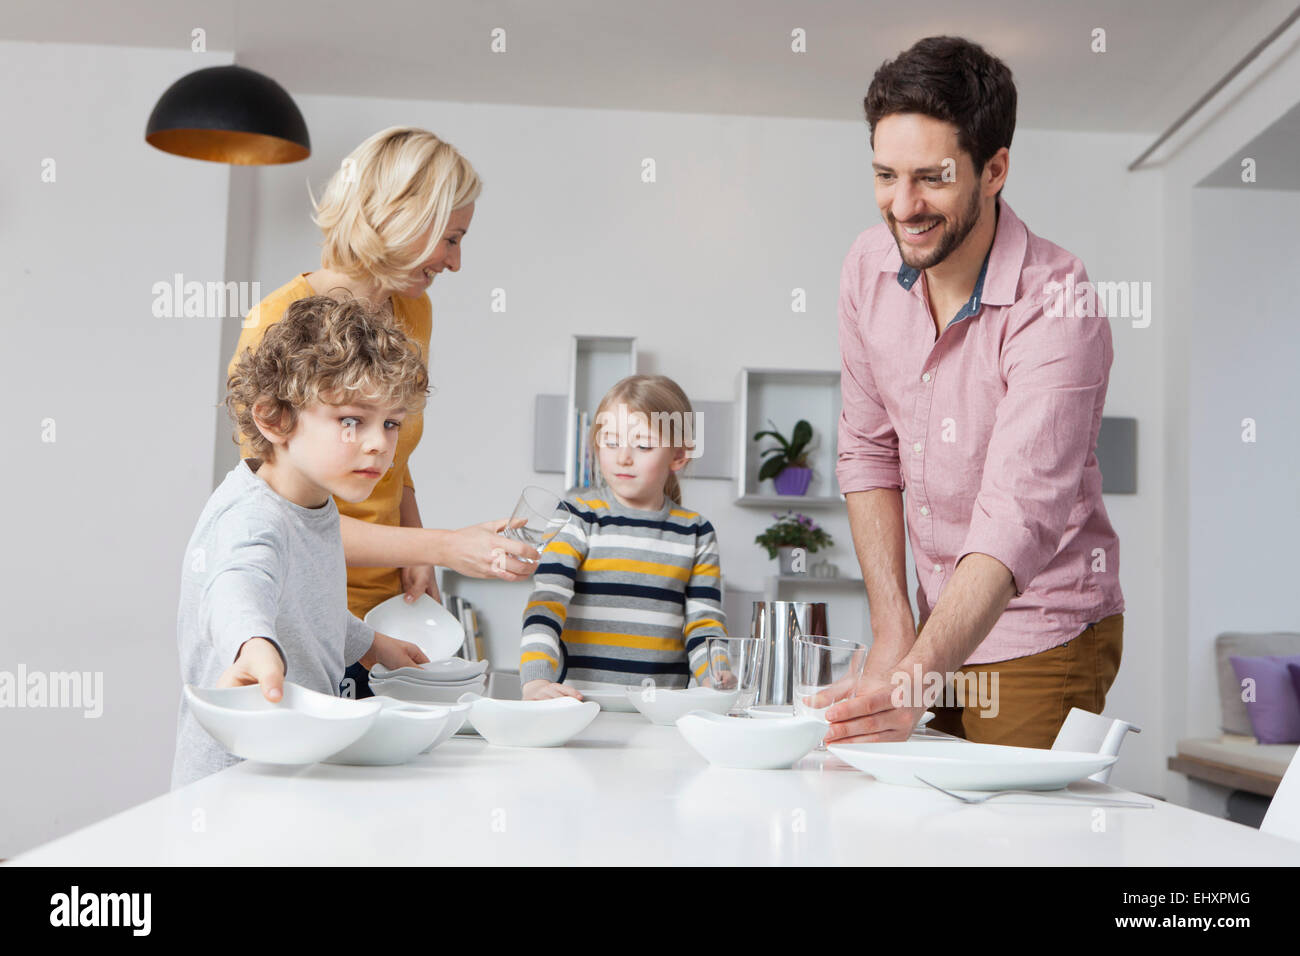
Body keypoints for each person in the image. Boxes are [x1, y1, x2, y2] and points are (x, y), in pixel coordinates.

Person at [825, 36, 1125, 749]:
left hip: (1039, 628)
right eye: (885, 176)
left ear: (994, 170)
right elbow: (868, 451)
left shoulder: (1058, 300)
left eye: (931, 177)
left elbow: (1017, 515)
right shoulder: (868, 266)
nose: (904, 206)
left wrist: (915, 681)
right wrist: (896, 632)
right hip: (935, 621)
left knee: (1010, 843)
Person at [227, 126, 538, 698]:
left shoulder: (413, 313)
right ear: (400, 217)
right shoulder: (275, 322)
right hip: (309, 613)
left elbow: (395, 459)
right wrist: (442, 546)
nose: (456, 261)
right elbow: (281, 518)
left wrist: (416, 549)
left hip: (390, 610)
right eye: (450, 238)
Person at [173, 297, 431, 788]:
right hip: (239, 783)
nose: (379, 442)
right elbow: (235, 587)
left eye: (391, 422)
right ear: (274, 419)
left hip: (294, 766)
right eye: (353, 420)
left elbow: (306, 604)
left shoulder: (312, 501)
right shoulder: (251, 518)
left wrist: (371, 643)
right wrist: (251, 644)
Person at [519, 375, 728, 699]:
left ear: (678, 455)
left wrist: (715, 675)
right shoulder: (575, 517)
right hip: (579, 705)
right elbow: (546, 605)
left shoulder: (696, 532)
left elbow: (705, 625)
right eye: (611, 441)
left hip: (662, 712)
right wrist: (536, 681)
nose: (623, 457)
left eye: (643, 445)